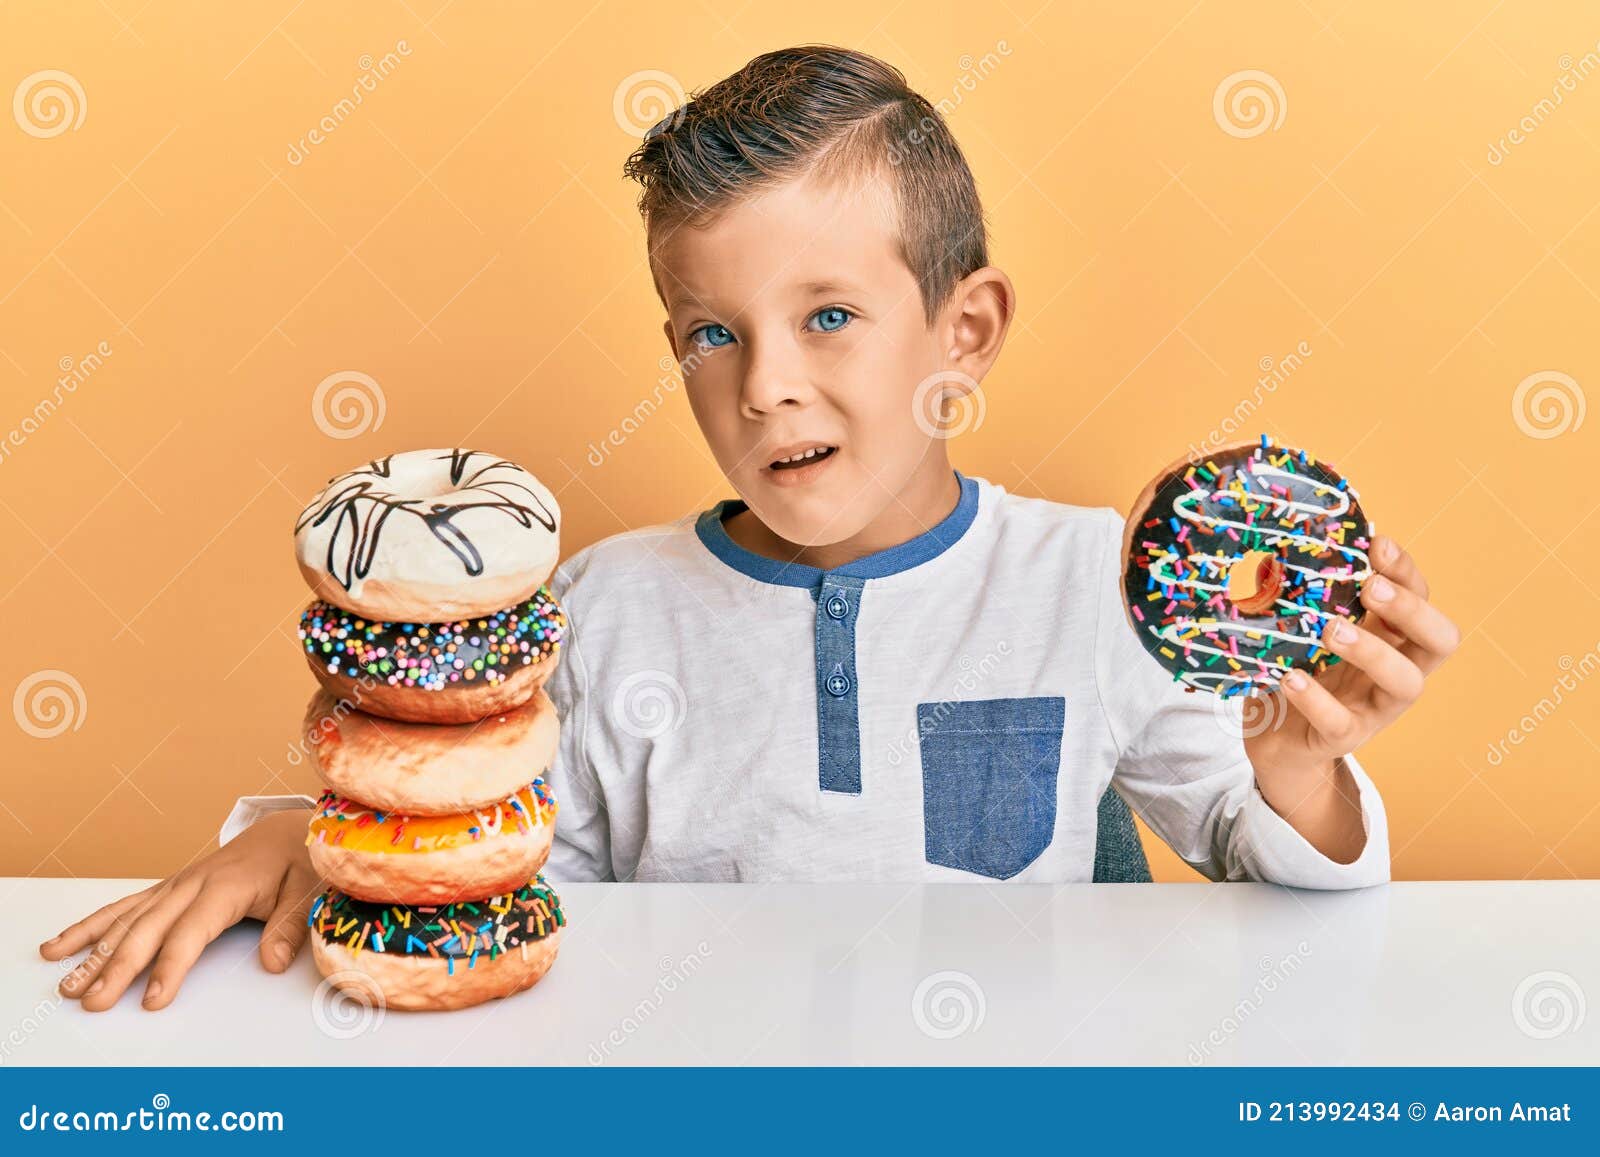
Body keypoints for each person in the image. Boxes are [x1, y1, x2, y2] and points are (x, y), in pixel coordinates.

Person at [39, 45, 1459, 1011]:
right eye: (710, 332)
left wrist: (1297, 768)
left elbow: (1273, 877)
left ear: (962, 331)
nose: (766, 381)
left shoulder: (1090, 583)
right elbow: (510, 890)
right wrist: (315, 827)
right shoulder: (601, 611)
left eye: (829, 314)